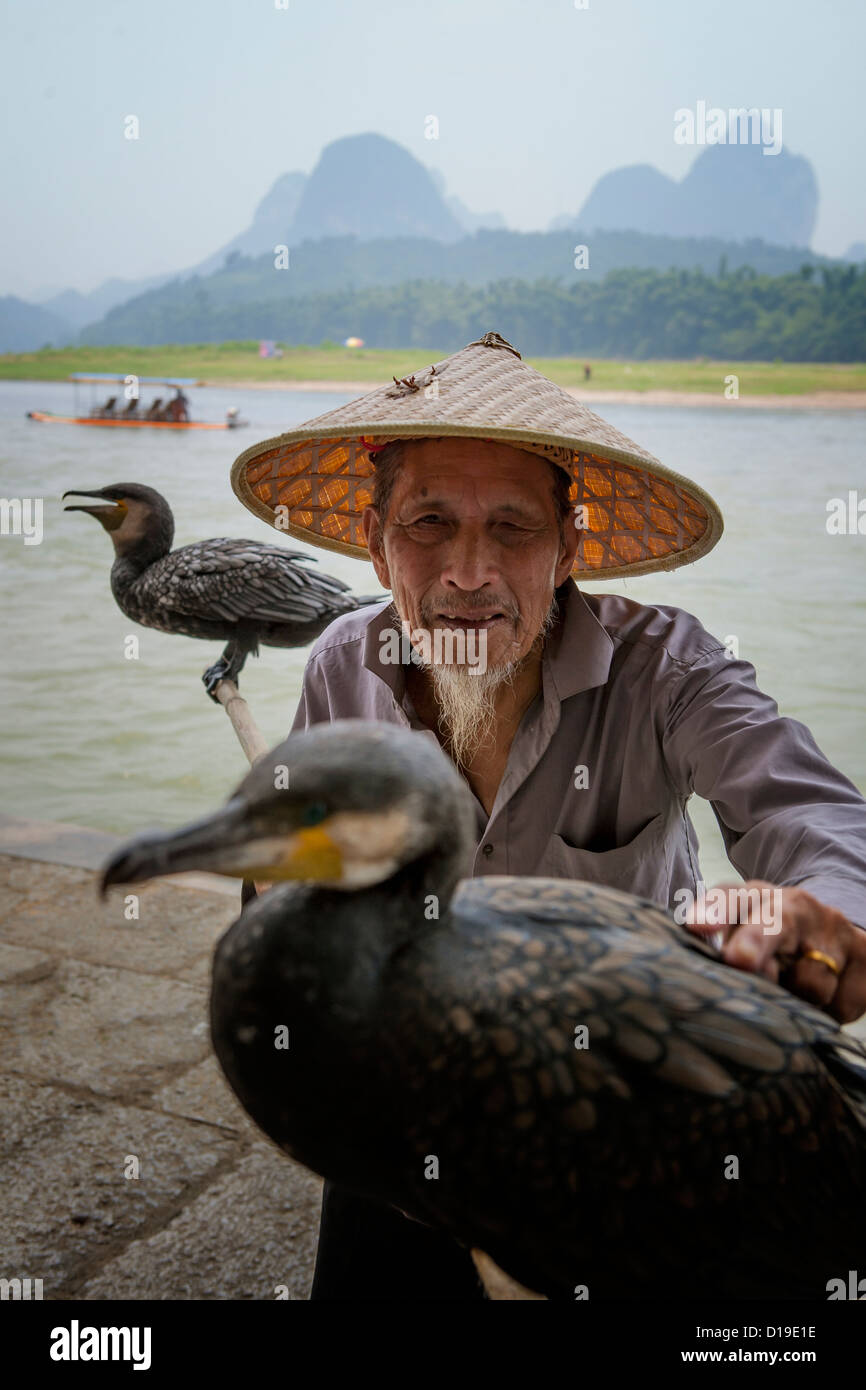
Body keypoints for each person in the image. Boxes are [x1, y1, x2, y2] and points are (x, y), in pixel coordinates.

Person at [232, 330, 866, 1299]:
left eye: (513, 530)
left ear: (569, 546)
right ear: (373, 542)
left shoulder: (666, 670)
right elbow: (281, 879)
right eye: (428, 523)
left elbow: (810, 811)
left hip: (611, 1124)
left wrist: (823, 913)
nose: (467, 573)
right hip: (409, 1108)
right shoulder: (339, 668)